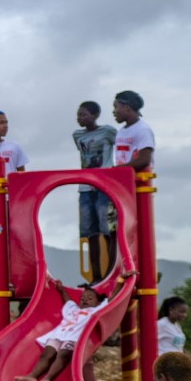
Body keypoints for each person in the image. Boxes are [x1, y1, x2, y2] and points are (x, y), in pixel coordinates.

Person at [14, 283, 108, 381]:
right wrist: (61, 289)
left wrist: (120, 282)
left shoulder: (95, 310)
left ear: (98, 302)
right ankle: (32, 376)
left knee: (64, 354)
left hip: (74, 338)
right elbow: (67, 300)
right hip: (58, 335)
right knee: (46, 354)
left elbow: (111, 300)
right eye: (82, 298)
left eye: (90, 298)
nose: (85, 300)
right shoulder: (73, 309)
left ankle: (48, 378)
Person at [73, 100, 117, 284]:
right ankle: (96, 276)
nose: (79, 118)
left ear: (94, 115)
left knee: (108, 230)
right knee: (89, 233)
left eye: (83, 114)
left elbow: (121, 146)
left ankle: (110, 273)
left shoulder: (108, 131)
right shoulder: (77, 135)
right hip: (85, 187)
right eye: (78, 114)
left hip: (104, 186)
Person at [111, 90, 154, 172]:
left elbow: (144, 160)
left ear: (126, 107)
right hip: (124, 178)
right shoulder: (121, 131)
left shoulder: (142, 129)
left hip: (139, 181)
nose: (114, 111)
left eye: (115, 107)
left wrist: (118, 169)